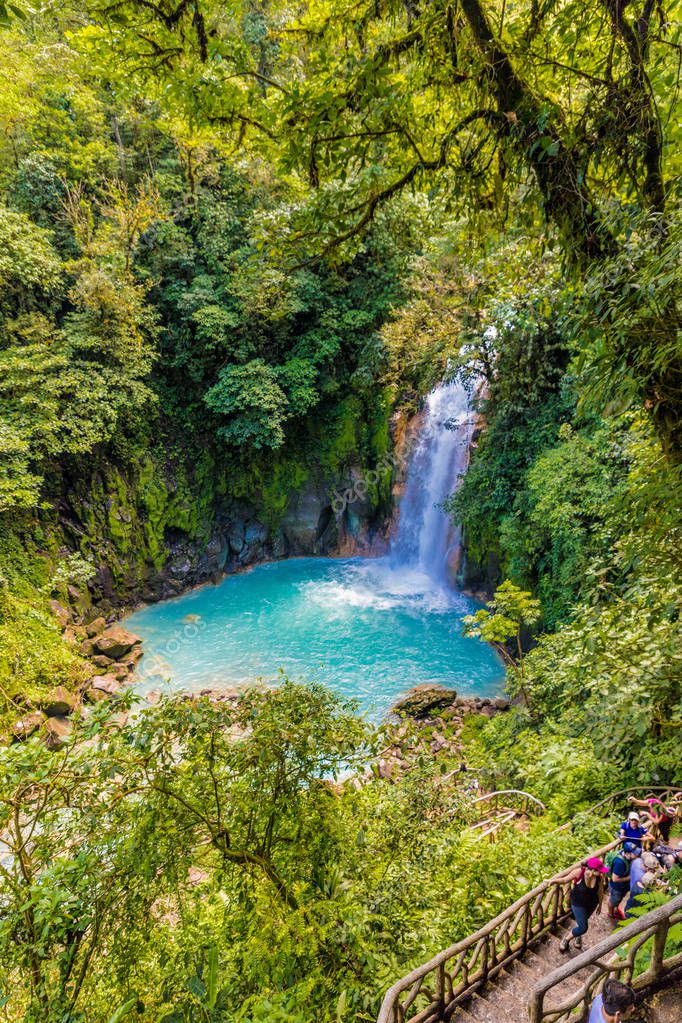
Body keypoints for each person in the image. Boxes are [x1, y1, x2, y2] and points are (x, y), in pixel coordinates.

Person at [559, 857, 608, 953]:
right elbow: (565, 880)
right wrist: (551, 881)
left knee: (583, 921)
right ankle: (566, 939)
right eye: (599, 870)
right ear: (593, 870)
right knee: (583, 927)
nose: (602, 872)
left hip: (592, 903)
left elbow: (600, 891)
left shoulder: (599, 877)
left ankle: (577, 935)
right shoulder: (579, 872)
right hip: (578, 903)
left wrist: (600, 905)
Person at [607, 842, 640, 920]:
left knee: (618, 898)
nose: (636, 855)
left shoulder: (627, 856)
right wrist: (629, 878)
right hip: (616, 887)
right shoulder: (619, 863)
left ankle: (615, 909)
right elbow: (614, 879)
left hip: (623, 885)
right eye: (634, 853)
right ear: (627, 853)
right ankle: (610, 913)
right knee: (613, 900)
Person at [625, 850, 661, 916]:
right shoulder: (643, 877)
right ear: (648, 868)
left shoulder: (637, 861)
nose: (654, 871)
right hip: (639, 896)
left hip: (633, 889)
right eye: (653, 869)